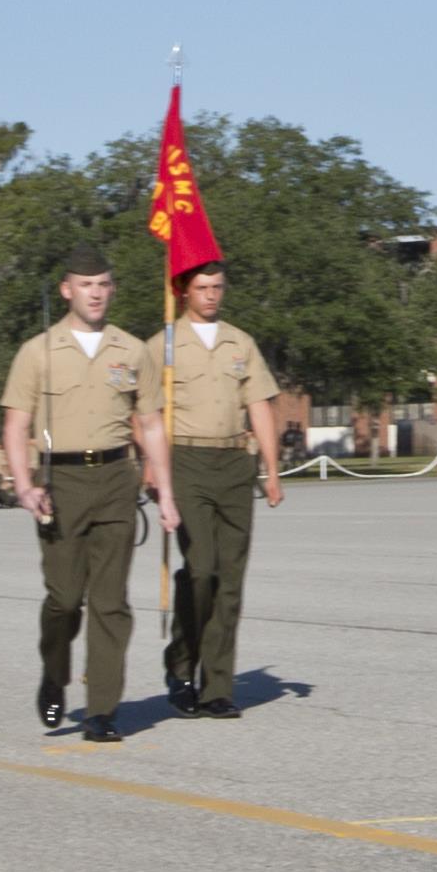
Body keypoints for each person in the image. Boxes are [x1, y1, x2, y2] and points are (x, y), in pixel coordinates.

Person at [0, 255, 174, 742]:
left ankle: (102, 709)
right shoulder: (39, 352)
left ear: (112, 290)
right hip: (62, 482)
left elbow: (153, 425)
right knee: (63, 599)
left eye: (103, 284)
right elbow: (15, 425)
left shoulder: (134, 350)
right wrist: (24, 485)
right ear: (65, 291)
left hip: (117, 478)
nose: (95, 293)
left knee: (110, 602)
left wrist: (166, 491)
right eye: (85, 285)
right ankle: (54, 676)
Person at [152, 260, 285, 717]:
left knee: (230, 579)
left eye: (218, 287)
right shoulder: (163, 345)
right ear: (184, 291)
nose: (211, 295)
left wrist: (270, 468)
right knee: (201, 568)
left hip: (234, 462)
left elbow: (260, 406)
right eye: (202, 287)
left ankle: (217, 687)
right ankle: (181, 664)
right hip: (185, 460)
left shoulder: (240, 343)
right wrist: (152, 469)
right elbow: (144, 413)